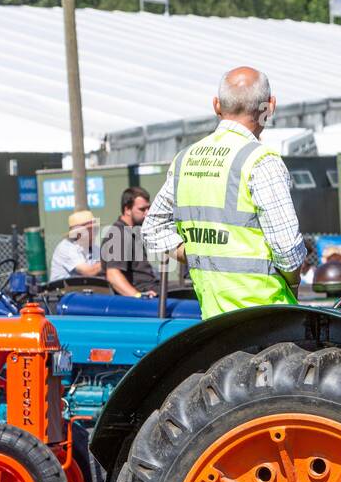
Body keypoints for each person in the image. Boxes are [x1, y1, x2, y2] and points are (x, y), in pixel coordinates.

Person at [142, 66, 306, 319]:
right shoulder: (261, 160)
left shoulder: (186, 159)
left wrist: (199, 254)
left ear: (216, 105)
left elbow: (152, 229)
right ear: (269, 107)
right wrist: (294, 282)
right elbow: (288, 254)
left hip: (213, 321)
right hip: (269, 318)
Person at [100, 186, 157, 298]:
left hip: (152, 288)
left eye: (148, 208)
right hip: (145, 296)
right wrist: (139, 296)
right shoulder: (118, 234)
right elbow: (113, 275)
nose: (147, 213)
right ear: (127, 210)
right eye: (142, 209)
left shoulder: (132, 232)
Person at [50, 209, 103, 281]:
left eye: (95, 229)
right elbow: (89, 272)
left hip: (84, 289)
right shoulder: (66, 247)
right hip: (62, 291)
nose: (94, 233)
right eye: (89, 229)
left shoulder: (95, 248)